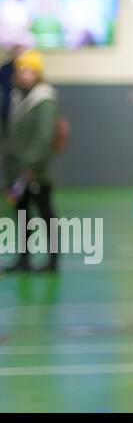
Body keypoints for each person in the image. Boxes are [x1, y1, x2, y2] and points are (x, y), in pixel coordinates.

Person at [3, 49, 59, 273]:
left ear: (38, 73)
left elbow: (44, 137)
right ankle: (23, 259)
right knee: (22, 214)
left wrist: (30, 166)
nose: (25, 74)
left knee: (46, 215)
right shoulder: (17, 96)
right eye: (22, 70)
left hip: (37, 171)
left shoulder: (44, 99)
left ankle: (53, 261)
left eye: (30, 70)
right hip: (18, 171)